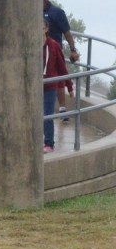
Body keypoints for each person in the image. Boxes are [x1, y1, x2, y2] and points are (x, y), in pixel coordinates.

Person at [43, 0, 80, 116]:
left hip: (54, 50)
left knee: (58, 77)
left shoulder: (57, 12)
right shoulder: (33, 11)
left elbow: (67, 32)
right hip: (39, 50)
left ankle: (62, 108)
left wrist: (73, 50)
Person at [42, 20, 71, 153]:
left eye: (41, 27)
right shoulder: (30, 44)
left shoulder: (53, 46)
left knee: (47, 114)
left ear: (46, 29)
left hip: (49, 86)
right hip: (34, 86)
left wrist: (69, 86)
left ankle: (49, 143)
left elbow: (62, 67)